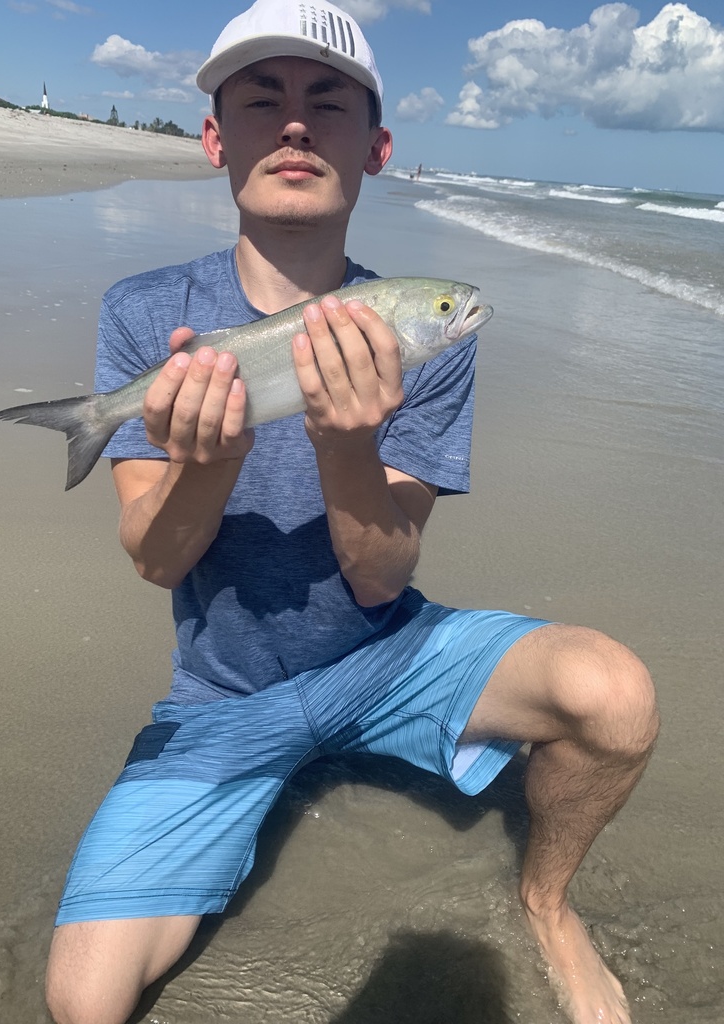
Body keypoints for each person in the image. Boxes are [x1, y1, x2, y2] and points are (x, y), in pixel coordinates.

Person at [45, 2, 659, 1023]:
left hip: (384, 649)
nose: (294, 125)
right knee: (81, 1000)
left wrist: (344, 438)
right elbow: (156, 559)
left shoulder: (429, 331)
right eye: (263, 101)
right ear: (215, 138)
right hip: (223, 691)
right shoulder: (147, 314)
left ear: (374, 149)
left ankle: (546, 902)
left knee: (618, 696)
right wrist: (214, 456)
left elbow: (381, 572)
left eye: (326, 103)